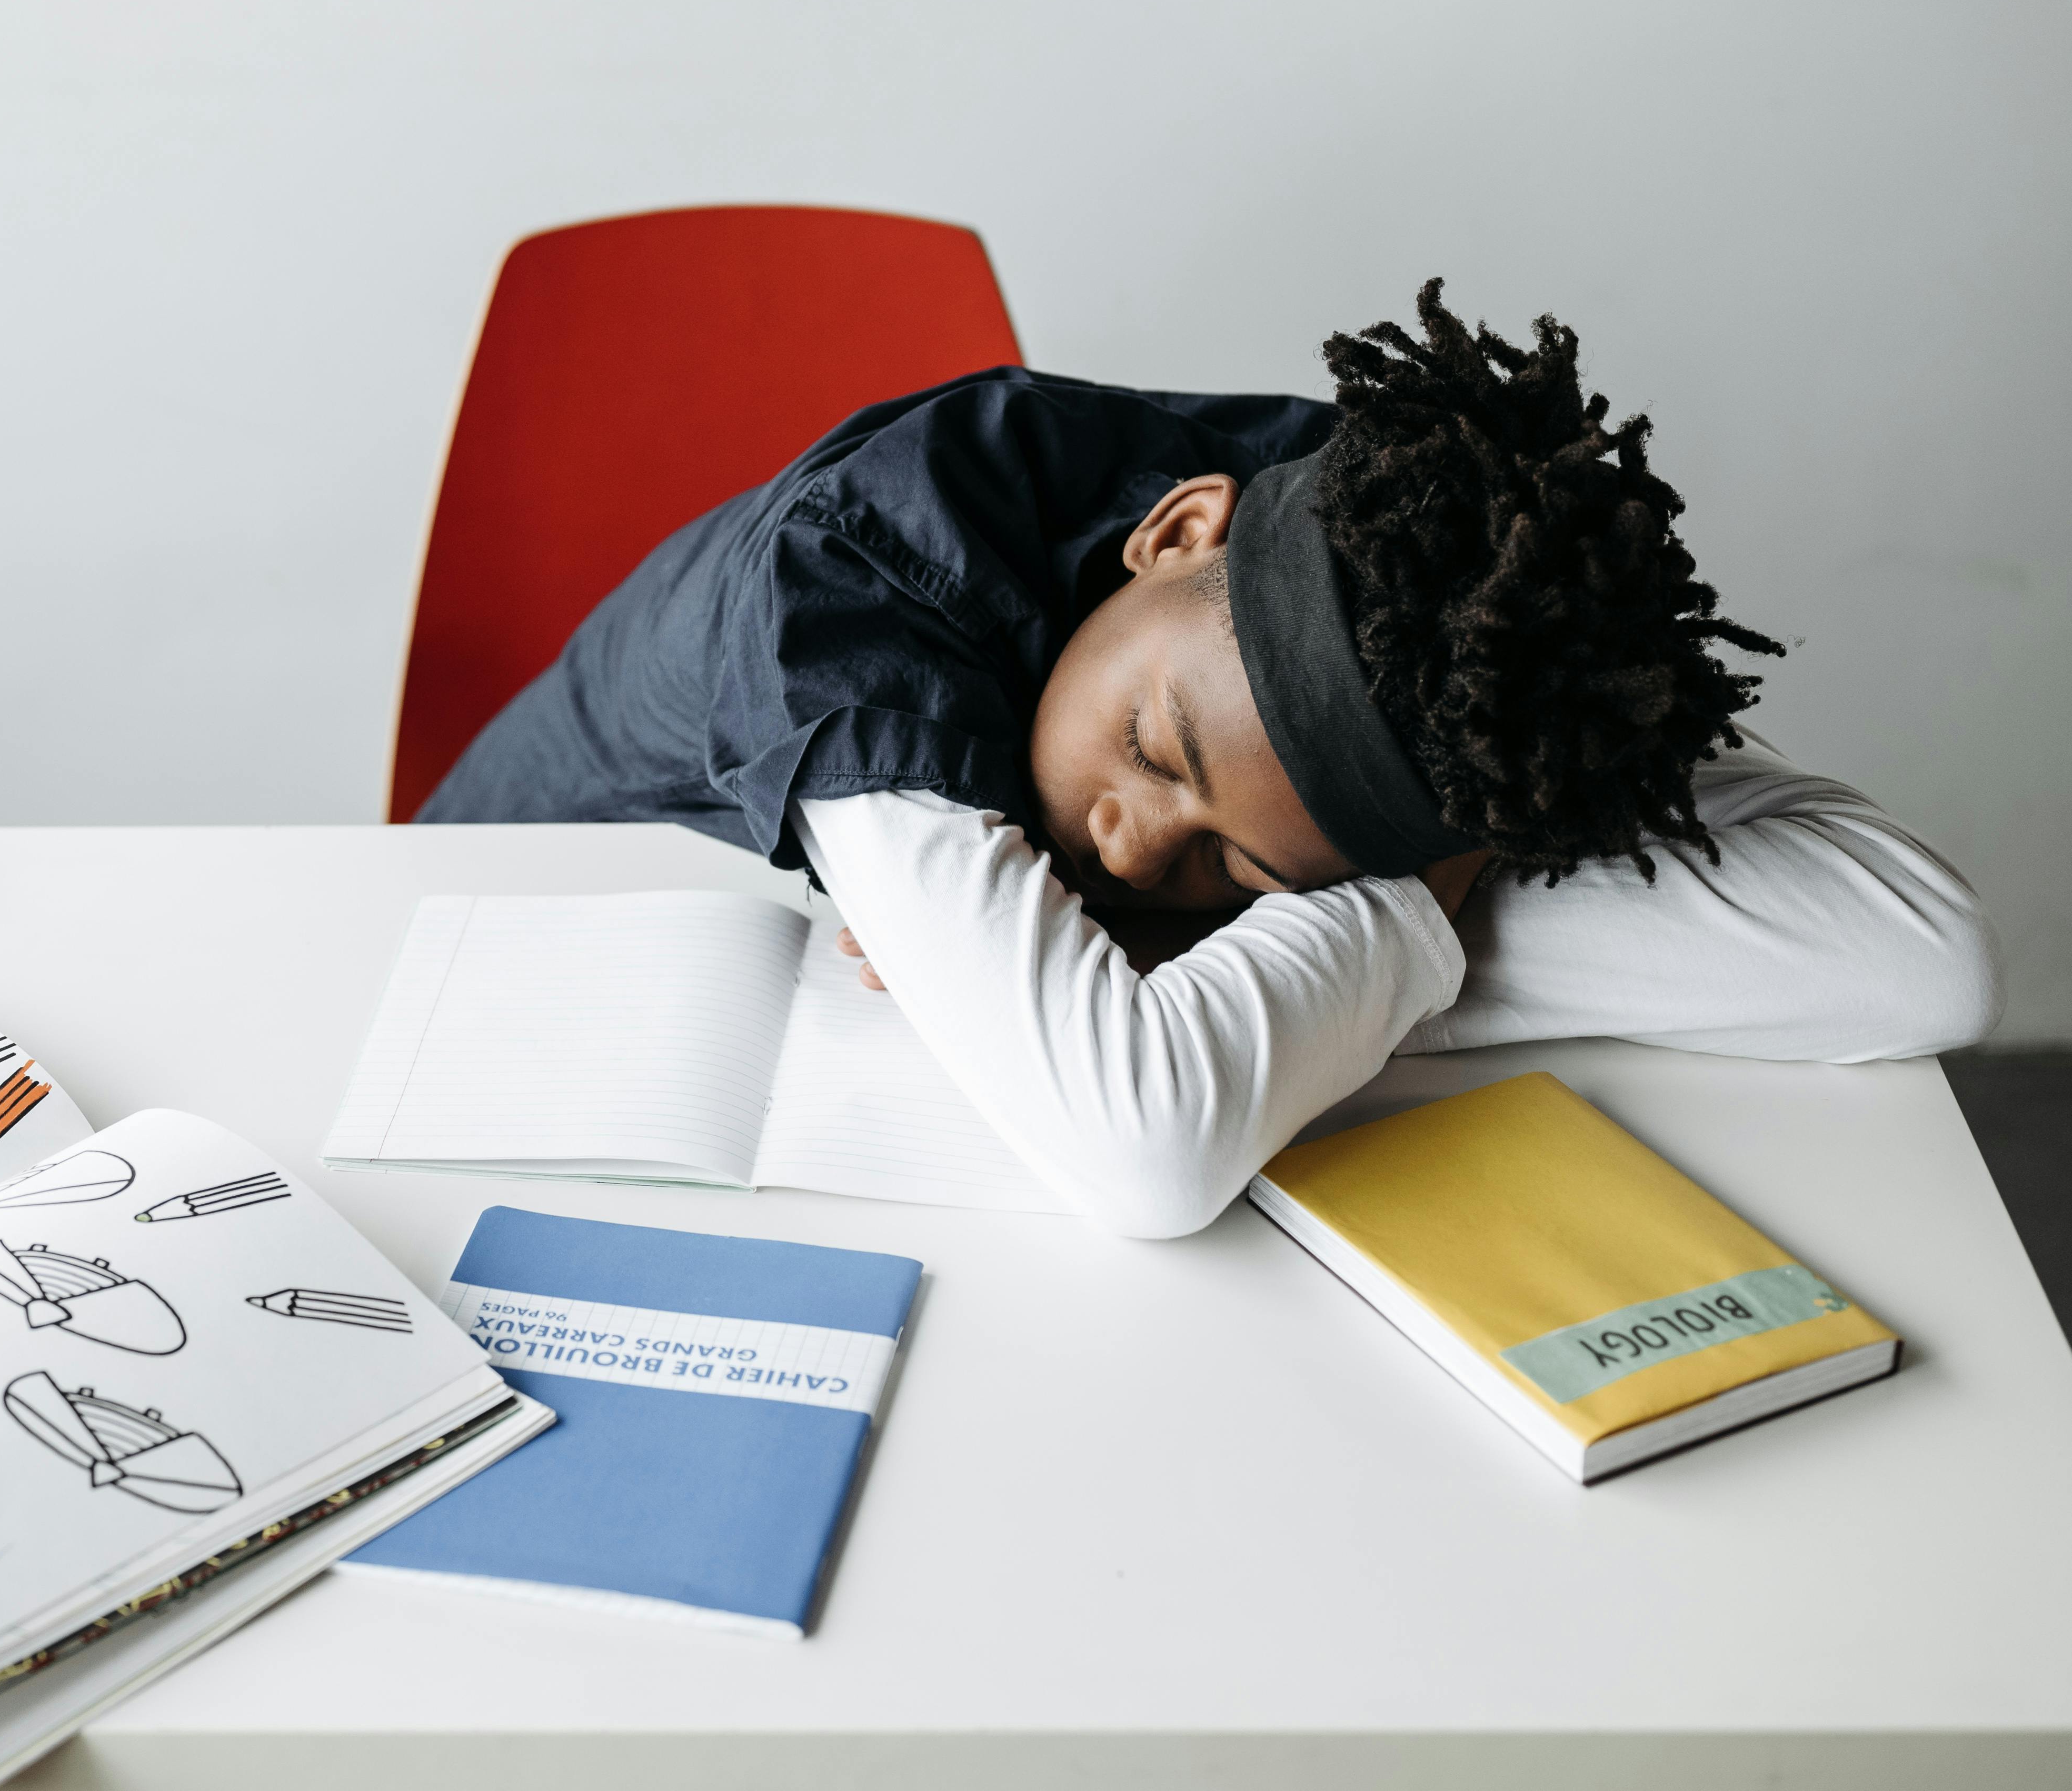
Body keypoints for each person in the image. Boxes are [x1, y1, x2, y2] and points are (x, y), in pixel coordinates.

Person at [416, 282, 2000, 1236]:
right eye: (1149, 749)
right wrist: (1383, 918)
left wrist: (1306, 923)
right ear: (1177, 531)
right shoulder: (858, 579)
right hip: (484, 1004)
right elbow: (1147, 1143)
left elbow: (1916, 963)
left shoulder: (1445, 614)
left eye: (1234, 864)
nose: (1119, 849)